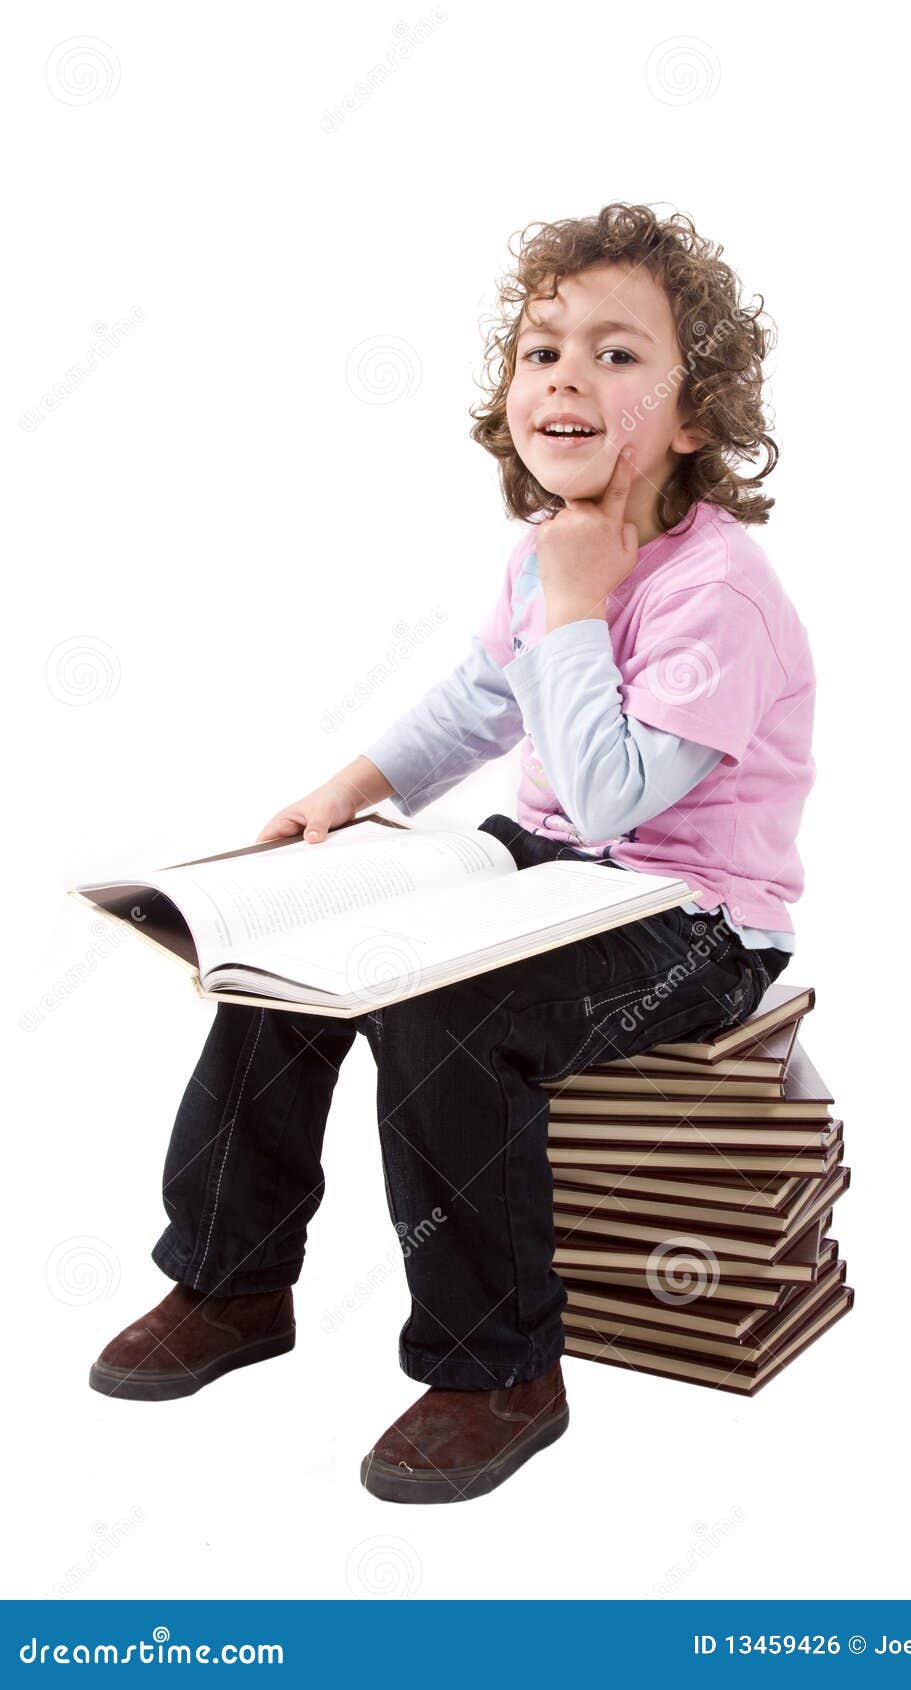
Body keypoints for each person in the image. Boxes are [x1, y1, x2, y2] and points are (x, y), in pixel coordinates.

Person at [89, 202, 815, 1505]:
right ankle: (228, 1278)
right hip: (536, 860)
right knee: (290, 961)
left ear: (696, 415)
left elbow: (607, 799)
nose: (567, 378)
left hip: (688, 915)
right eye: (543, 352)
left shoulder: (720, 593)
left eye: (617, 352)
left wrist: (585, 606)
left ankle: (498, 1367)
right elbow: (480, 701)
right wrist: (349, 790)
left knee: (445, 1008)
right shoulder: (547, 557)